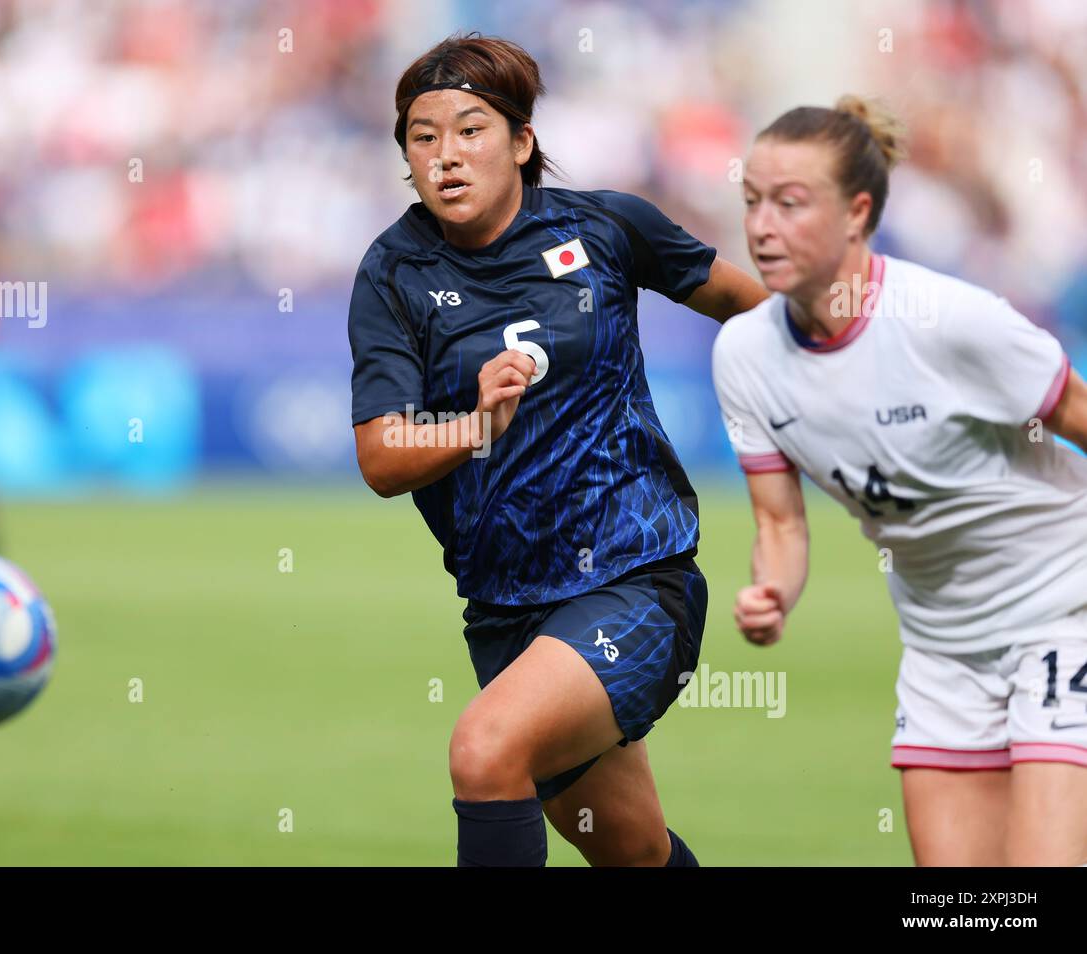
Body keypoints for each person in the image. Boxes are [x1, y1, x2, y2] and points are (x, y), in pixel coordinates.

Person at [349, 33, 768, 866]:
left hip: (637, 575)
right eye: (422, 137)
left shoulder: (606, 227)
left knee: (485, 751)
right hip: (507, 607)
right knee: (632, 851)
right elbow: (380, 458)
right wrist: (474, 426)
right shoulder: (392, 273)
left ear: (522, 141)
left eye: (470, 130)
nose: (445, 155)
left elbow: (754, 311)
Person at [712, 95, 1087, 865]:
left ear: (856, 212)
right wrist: (772, 593)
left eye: (789, 203)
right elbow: (781, 526)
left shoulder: (950, 321)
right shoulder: (742, 355)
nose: (761, 226)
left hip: (1065, 611)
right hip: (941, 648)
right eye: (752, 201)